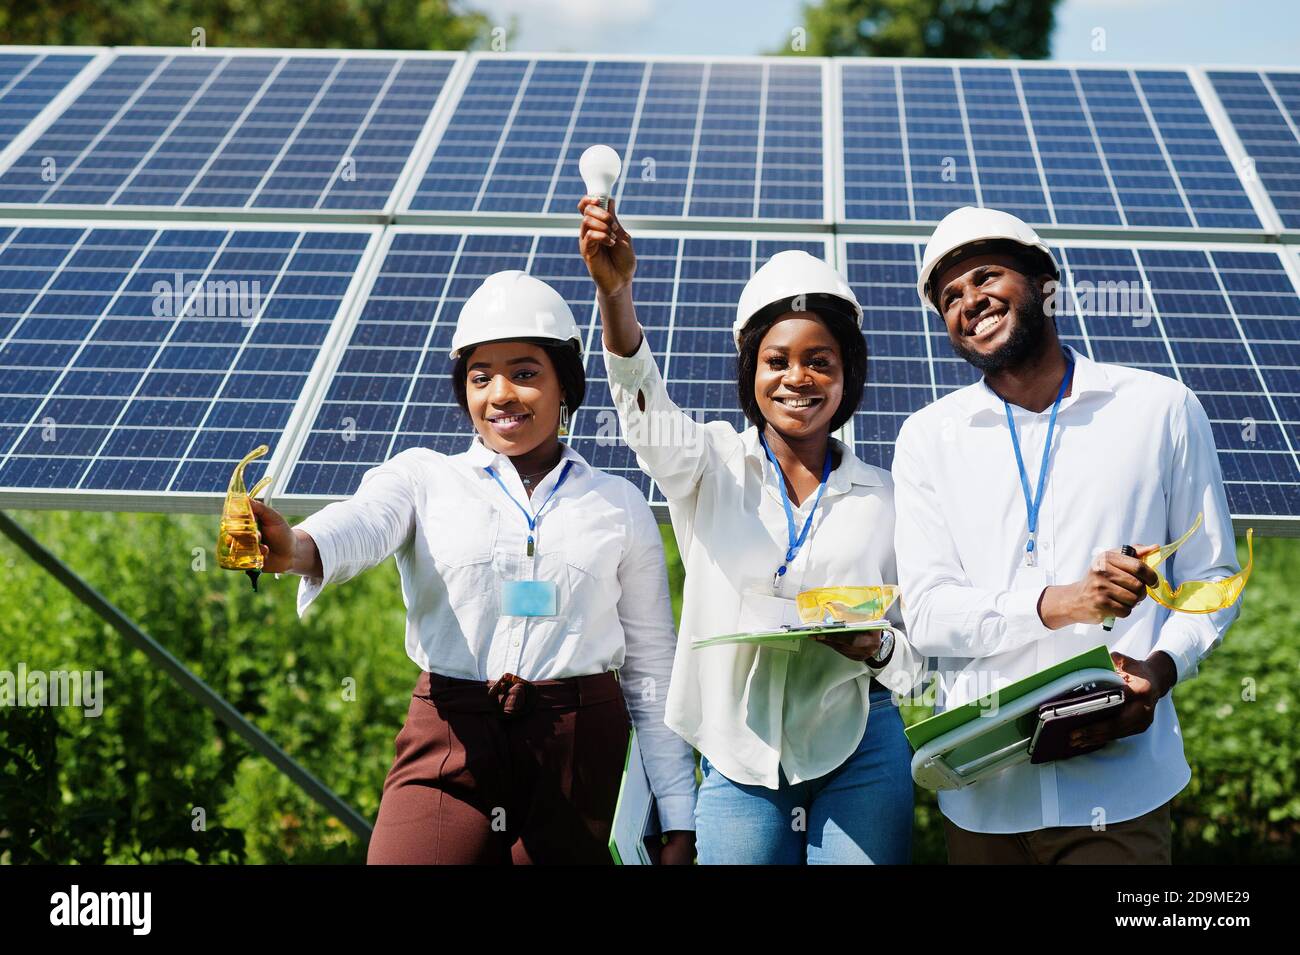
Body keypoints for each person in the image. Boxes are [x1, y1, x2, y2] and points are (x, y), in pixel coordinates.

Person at [249, 270, 697, 865]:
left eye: (526, 373)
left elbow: (651, 665)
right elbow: (364, 522)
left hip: (578, 746)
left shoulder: (618, 503)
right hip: (450, 733)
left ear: (566, 383)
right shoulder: (423, 477)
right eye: (481, 377)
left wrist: (678, 815)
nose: (501, 394)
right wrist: (297, 547)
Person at [578, 196, 924, 865]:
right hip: (738, 756)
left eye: (821, 360)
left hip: (860, 744)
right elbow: (641, 406)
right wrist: (615, 293)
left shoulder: (886, 496)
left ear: (846, 371)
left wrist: (876, 645)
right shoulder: (707, 464)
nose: (799, 377)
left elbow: (917, 654)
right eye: (778, 360)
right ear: (751, 369)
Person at [892, 206, 1242, 864]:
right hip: (984, 797)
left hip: (1120, 787)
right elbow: (929, 612)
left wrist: (1159, 671)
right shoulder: (926, 439)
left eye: (987, 276)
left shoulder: (1159, 408)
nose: (971, 301)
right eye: (950, 297)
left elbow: (1213, 578)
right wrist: (1062, 601)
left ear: (1045, 284)